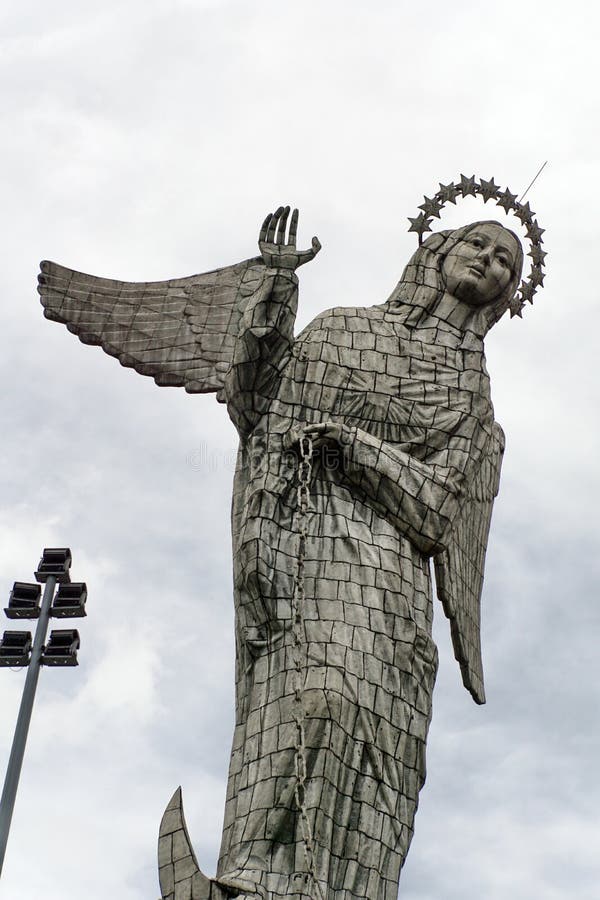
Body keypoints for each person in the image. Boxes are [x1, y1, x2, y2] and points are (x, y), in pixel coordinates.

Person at [215, 208, 523, 899]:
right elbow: (261, 407)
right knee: (317, 699)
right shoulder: (345, 329)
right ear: (439, 251)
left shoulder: (472, 399)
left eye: (506, 261)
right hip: (309, 540)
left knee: (384, 740)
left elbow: (439, 507)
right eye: (477, 242)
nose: (489, 260)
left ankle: (348, 883)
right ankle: (264, 868)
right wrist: (273, 291)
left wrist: (354, 447)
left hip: (394, 577)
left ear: (508, 295)